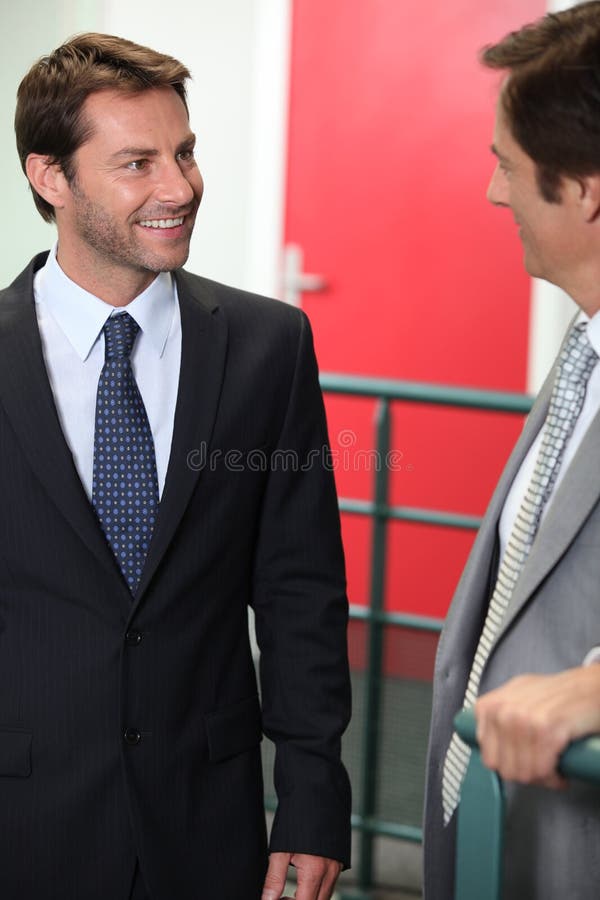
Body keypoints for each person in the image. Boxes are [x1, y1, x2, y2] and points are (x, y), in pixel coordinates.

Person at [3, 33, 351, 900]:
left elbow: (301, 590)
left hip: (208, 821)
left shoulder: (269, 346)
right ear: (50, 177)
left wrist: (313, 796)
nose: (180, 187)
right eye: (138, 163)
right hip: (24, 819)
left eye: (185, 153)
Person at [424, 2, 600, 898]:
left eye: (508, 165)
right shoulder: (586, 343)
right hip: (512, 839)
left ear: (586, 190)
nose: (496, 193)